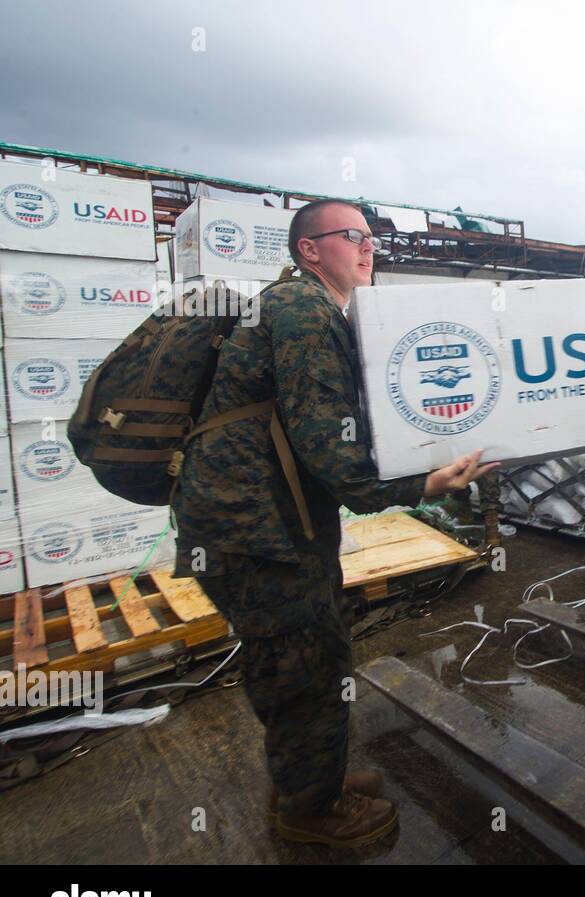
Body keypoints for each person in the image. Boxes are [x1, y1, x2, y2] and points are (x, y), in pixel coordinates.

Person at [172, 199, 496, 847]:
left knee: (307, 650)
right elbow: (329, 447)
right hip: (255, 526)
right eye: (353, 236)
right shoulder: (305, 311)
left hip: (265, 517)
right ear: (310, 250)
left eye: (371, 238)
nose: (368, 247)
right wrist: (422, 482)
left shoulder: (302, 306)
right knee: (307, 660)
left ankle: (312, 781)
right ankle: (309, 813)